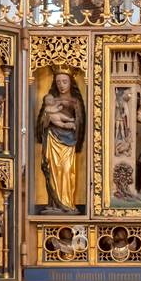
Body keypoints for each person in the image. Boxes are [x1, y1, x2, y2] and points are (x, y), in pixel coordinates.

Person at [35, 69, 86, 213]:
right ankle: (54, 204)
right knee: (52, 170)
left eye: (65, 81)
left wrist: (73, 125)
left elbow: (80, 122)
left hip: (69, 141)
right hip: (52, 138)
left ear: (71, 82)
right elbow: (41, 124)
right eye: (58, 82)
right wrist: (47, 116)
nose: (61, 85)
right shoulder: (50, 101)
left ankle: (67, 203)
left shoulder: (75, 101)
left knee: (67, 169)